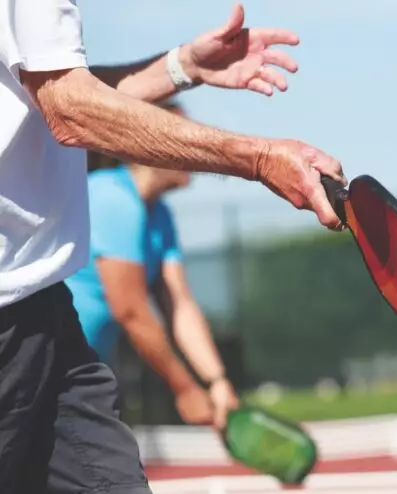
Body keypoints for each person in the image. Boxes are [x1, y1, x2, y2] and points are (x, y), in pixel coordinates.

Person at [0, 1, 346, 493]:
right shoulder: (116, 203)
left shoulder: (157, 218)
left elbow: (40, 92)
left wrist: (183, 67)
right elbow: (68, 109)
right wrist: (259, 158)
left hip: (47, 319)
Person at [66, 99, 238, 431]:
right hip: (32, 371)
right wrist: (185, 389)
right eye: (183, 139)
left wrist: (216, 381)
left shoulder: (160, 216)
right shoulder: (112, 199)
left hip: (72, 376)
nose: (197, 150)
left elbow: (179, 305)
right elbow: (131, 311)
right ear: (149, 146)